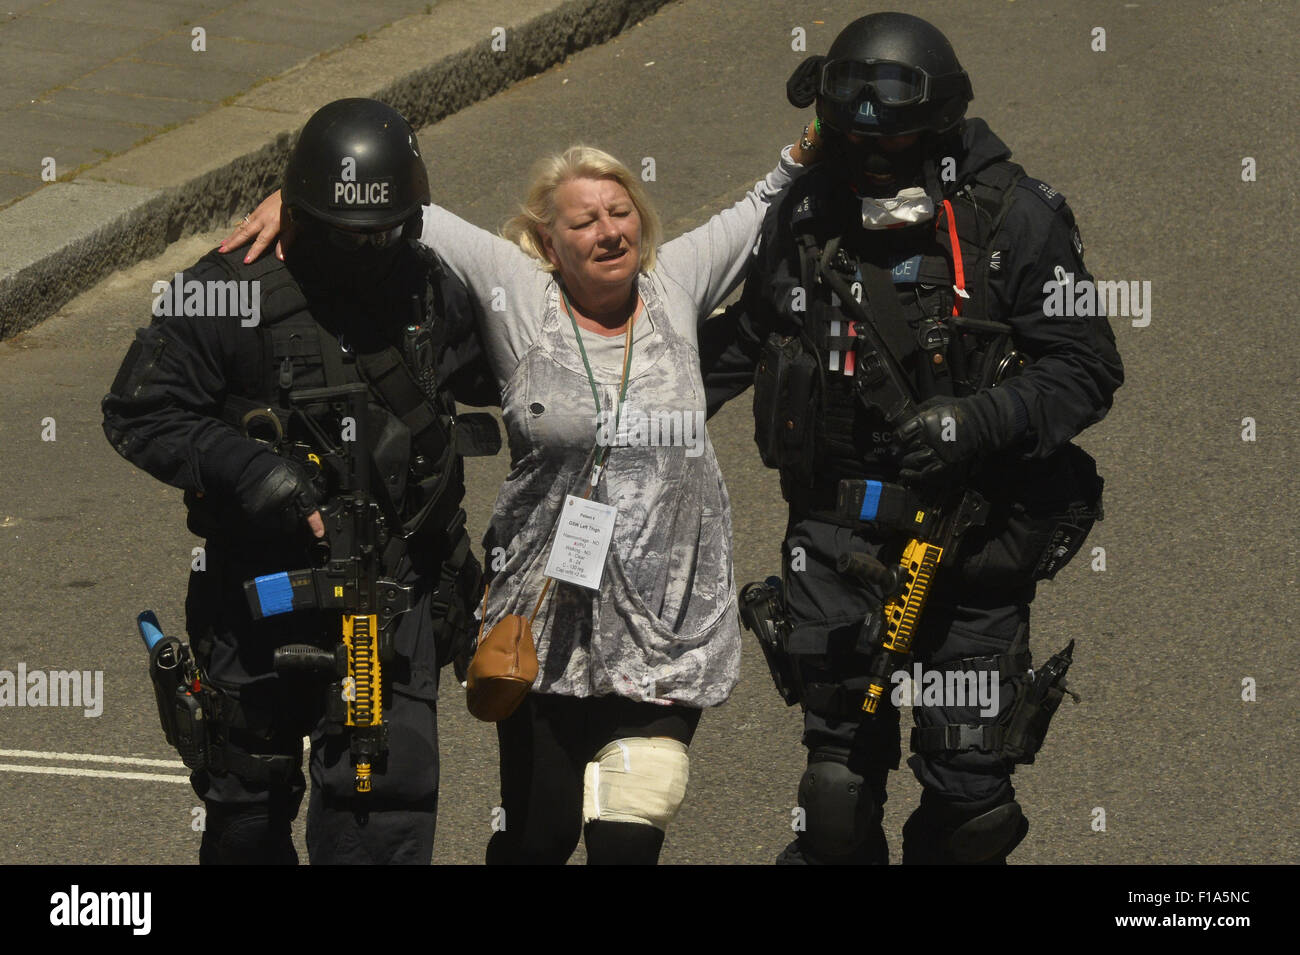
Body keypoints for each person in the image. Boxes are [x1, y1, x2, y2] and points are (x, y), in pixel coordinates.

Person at [225, 126, 817, 863]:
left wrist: (809, 144)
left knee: (629, 831)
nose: (611, 230)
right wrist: (303, 196)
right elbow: (410, 211)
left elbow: (761, 203)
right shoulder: (520, 294)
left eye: (621, 211)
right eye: (586, 220)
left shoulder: (676, 282)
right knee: (541, 836)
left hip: (666, 611)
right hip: (549, 615)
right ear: (548, 241)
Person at [699, 12, 1124, 864]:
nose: (869, 162)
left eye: (890, 144)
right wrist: (610, 408)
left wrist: (978, 418)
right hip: (835, 534)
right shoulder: (806, 215)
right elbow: (738, 345)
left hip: (972, 537)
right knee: (835, 794)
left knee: (972, 807)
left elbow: (1086, 365)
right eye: (853, 142)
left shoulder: (1015, 219)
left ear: (936, 128)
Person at [103, 98, 498, 865]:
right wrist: (254, 470)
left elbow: (532, 348)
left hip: (392, 600)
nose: (368, 250)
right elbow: (139, 410)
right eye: (347, 233)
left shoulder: (428, 288)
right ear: (303, 215)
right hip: (262, 597)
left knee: (380, 815)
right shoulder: (226, 290)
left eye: (384, 231)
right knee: (247, 815)